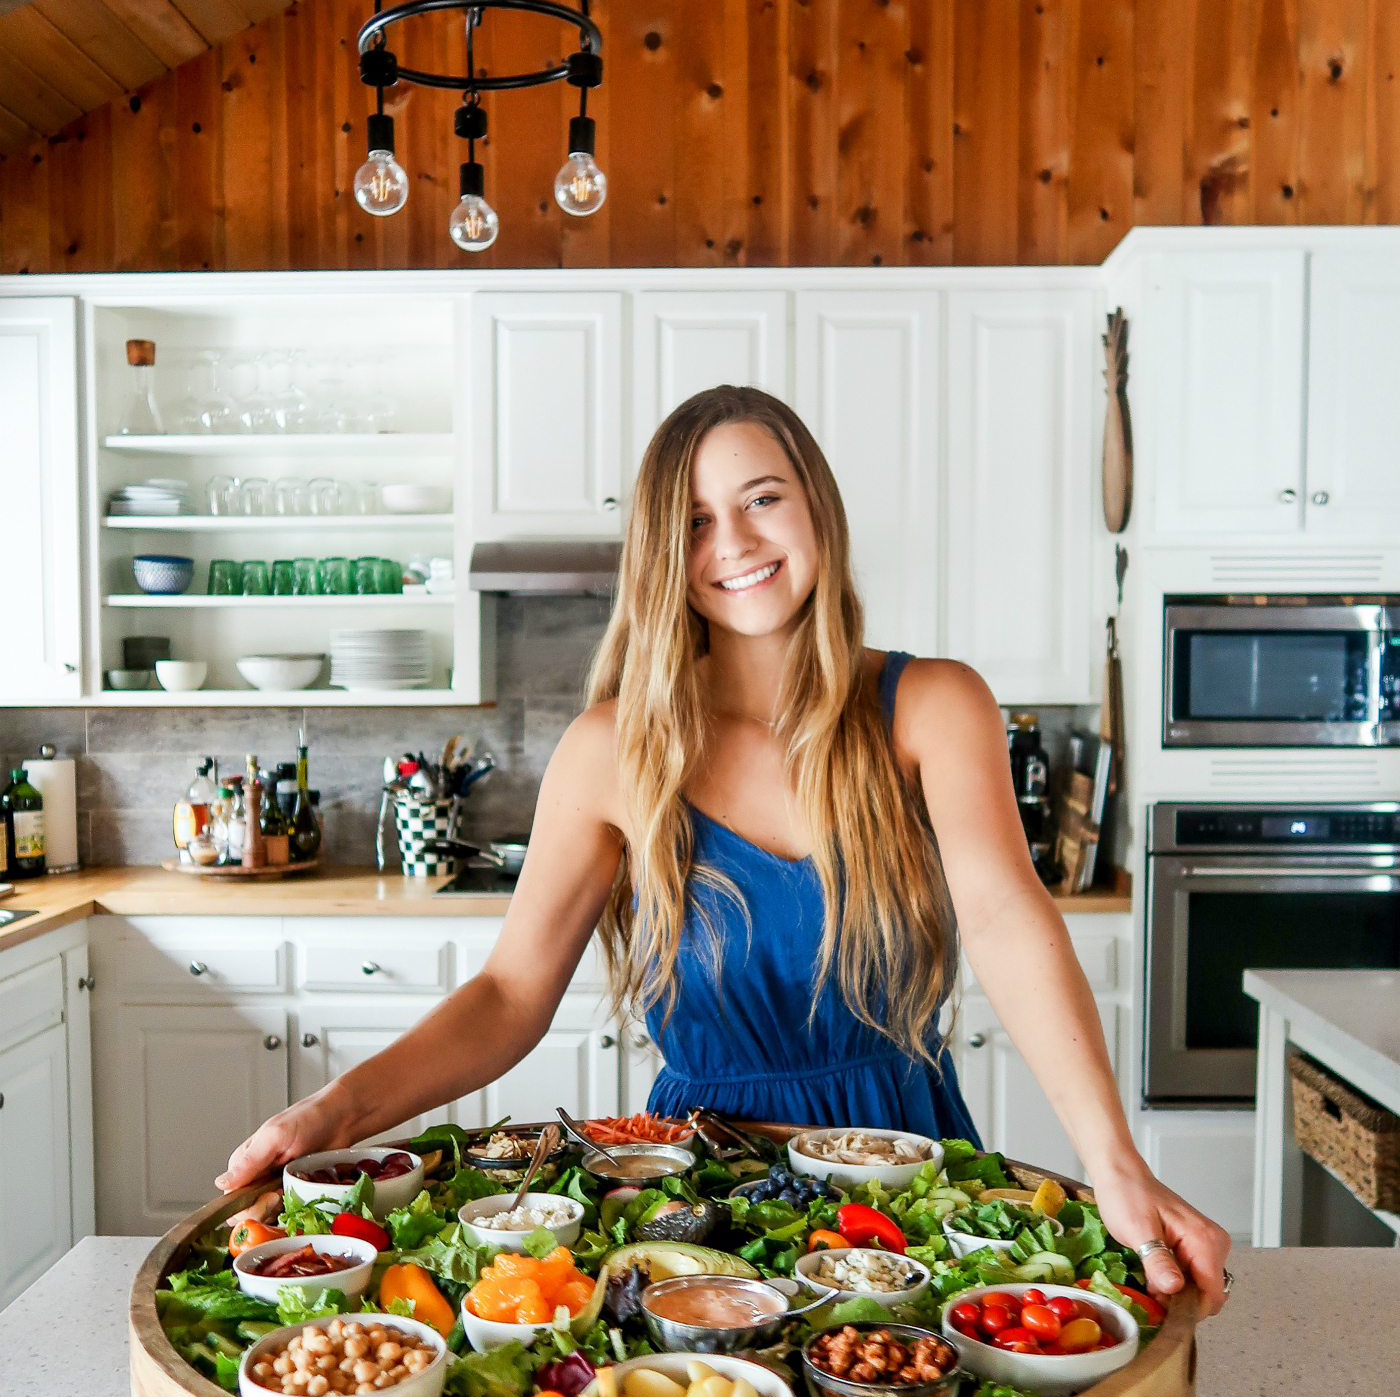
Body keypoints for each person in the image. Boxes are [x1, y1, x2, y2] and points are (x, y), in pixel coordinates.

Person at [219, 386, 1231, 1316]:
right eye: (695, 521)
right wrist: (338, 1108)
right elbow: (509, 996)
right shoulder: (611, 749)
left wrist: (1112, 1165)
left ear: (816, 511)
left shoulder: (931, 705)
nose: (733, 542)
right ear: (663, 551)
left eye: (760, 500)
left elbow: (1008, 919)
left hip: (905, 1164)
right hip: (694, 1182)